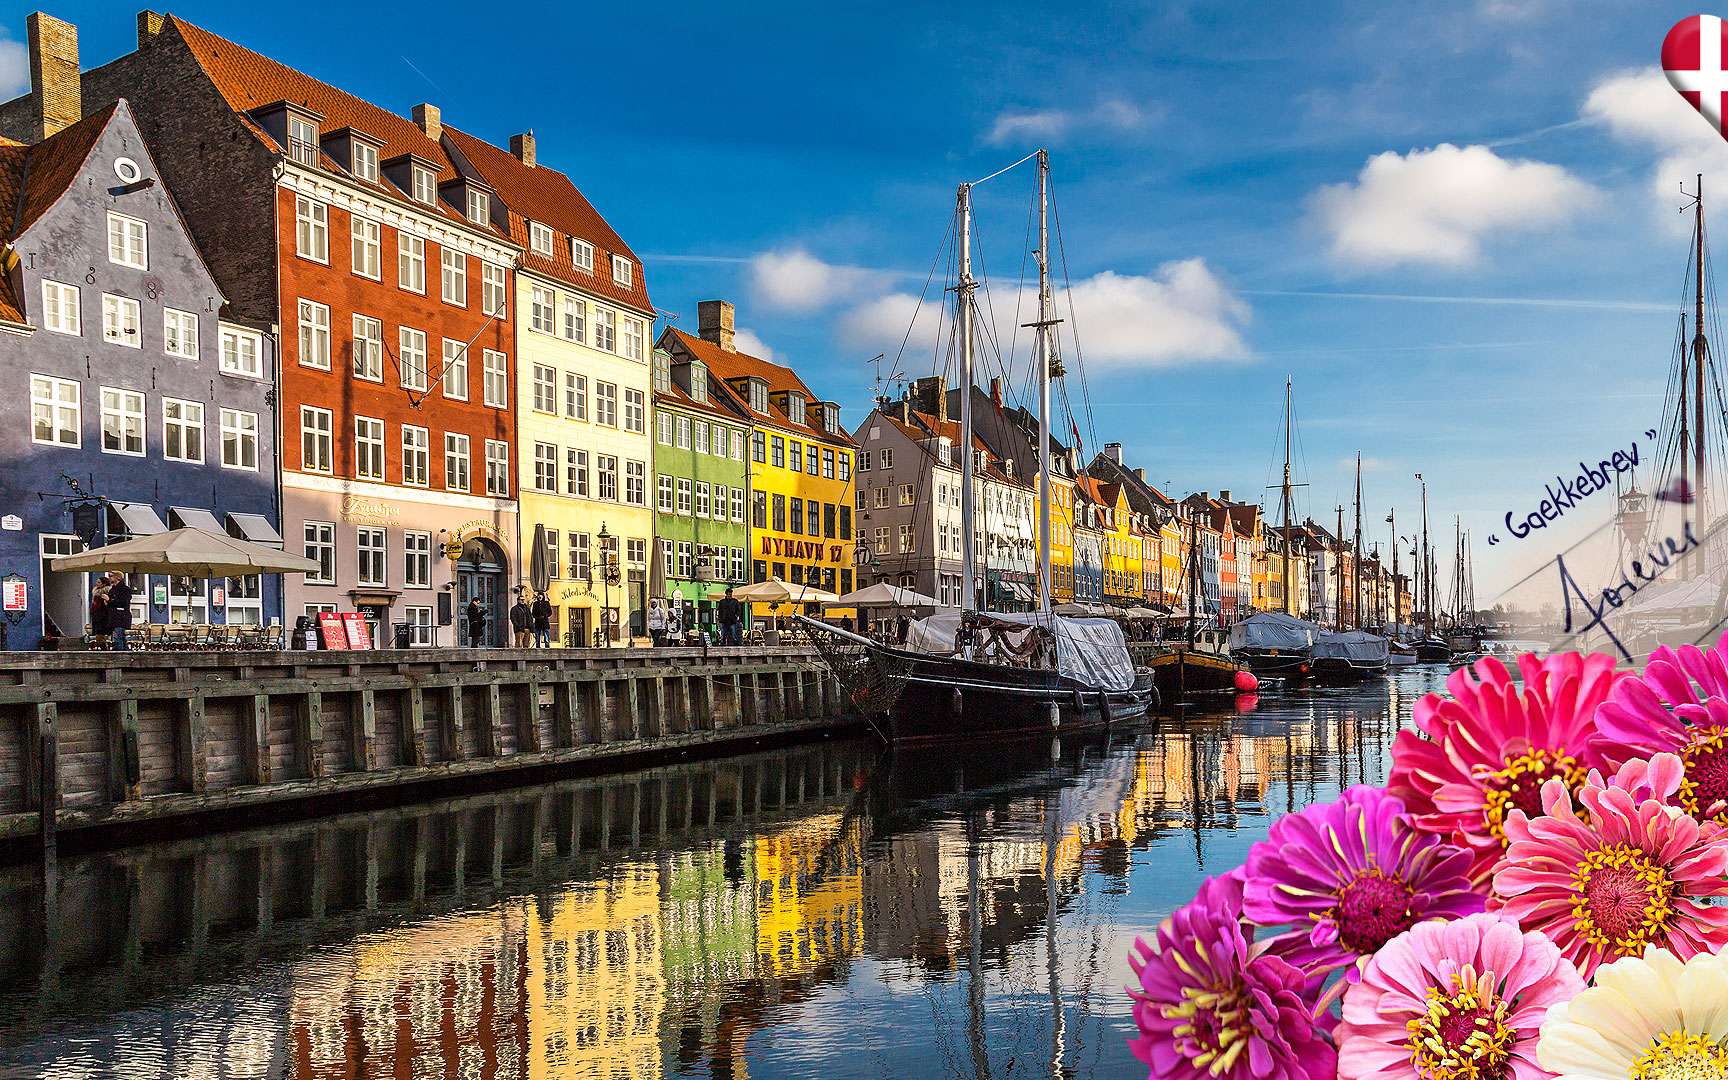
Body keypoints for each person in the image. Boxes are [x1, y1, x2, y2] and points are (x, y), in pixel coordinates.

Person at [107, 571, 135, 651]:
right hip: (114, 616)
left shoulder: (125, 589)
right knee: (120, 637)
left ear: (118, 577)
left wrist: (109, 600)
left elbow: (123, 602)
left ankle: (120, 654)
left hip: (121, 617)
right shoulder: (112, 589)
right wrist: (107, 602)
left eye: (111, 576)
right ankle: (126, 653)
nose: (109, 578)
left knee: (118, 636)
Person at [89, 580, 111, 647]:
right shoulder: (95, 592)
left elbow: (104, 604)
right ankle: (101, 644)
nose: (97, 584)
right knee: (98, 632)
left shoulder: (105, 593)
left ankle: (103, 645)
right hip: (96, 614)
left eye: (99, 582)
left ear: (104, 584)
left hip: (103, 615)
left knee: (101, 632)